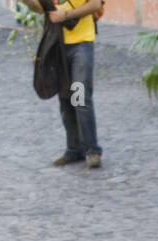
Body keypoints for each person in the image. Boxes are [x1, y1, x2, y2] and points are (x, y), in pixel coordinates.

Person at [24, 0, 102, 167]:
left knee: (79, 97)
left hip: (81, 44)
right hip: (57, 43)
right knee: (65, 99)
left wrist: (65, 15)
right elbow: (39, 8)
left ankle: (92, 150)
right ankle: (74, 149)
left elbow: (95, 5)